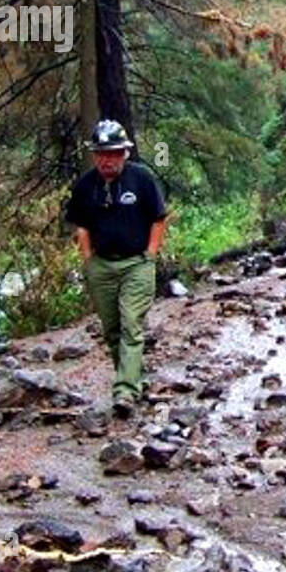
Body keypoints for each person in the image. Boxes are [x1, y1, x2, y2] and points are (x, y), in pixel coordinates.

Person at [65, 120, 168, 419]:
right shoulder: (85, 186)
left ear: (124, 153)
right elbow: (81, 224)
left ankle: (124, 391)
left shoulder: (142, 179)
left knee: (131, 323)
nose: (106, 160)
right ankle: (136, 378)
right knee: (112, 330)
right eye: (101, 154)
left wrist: (150, 254)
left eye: (112, 153)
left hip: (136, 263)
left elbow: (158, 217)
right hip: (102, 265)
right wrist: (87, 259)